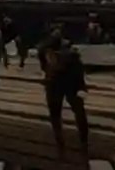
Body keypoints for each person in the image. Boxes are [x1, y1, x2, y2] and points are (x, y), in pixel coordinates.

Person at [38, 24, 90, 155]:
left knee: (57, 114)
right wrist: (82, 87)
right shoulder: (70, 53)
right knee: (77, 112)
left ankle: (62, 143)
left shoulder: (46, 50)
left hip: (56, 82)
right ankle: (81, 142)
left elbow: (43, 60)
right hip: (66, 83)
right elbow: (79, 70)